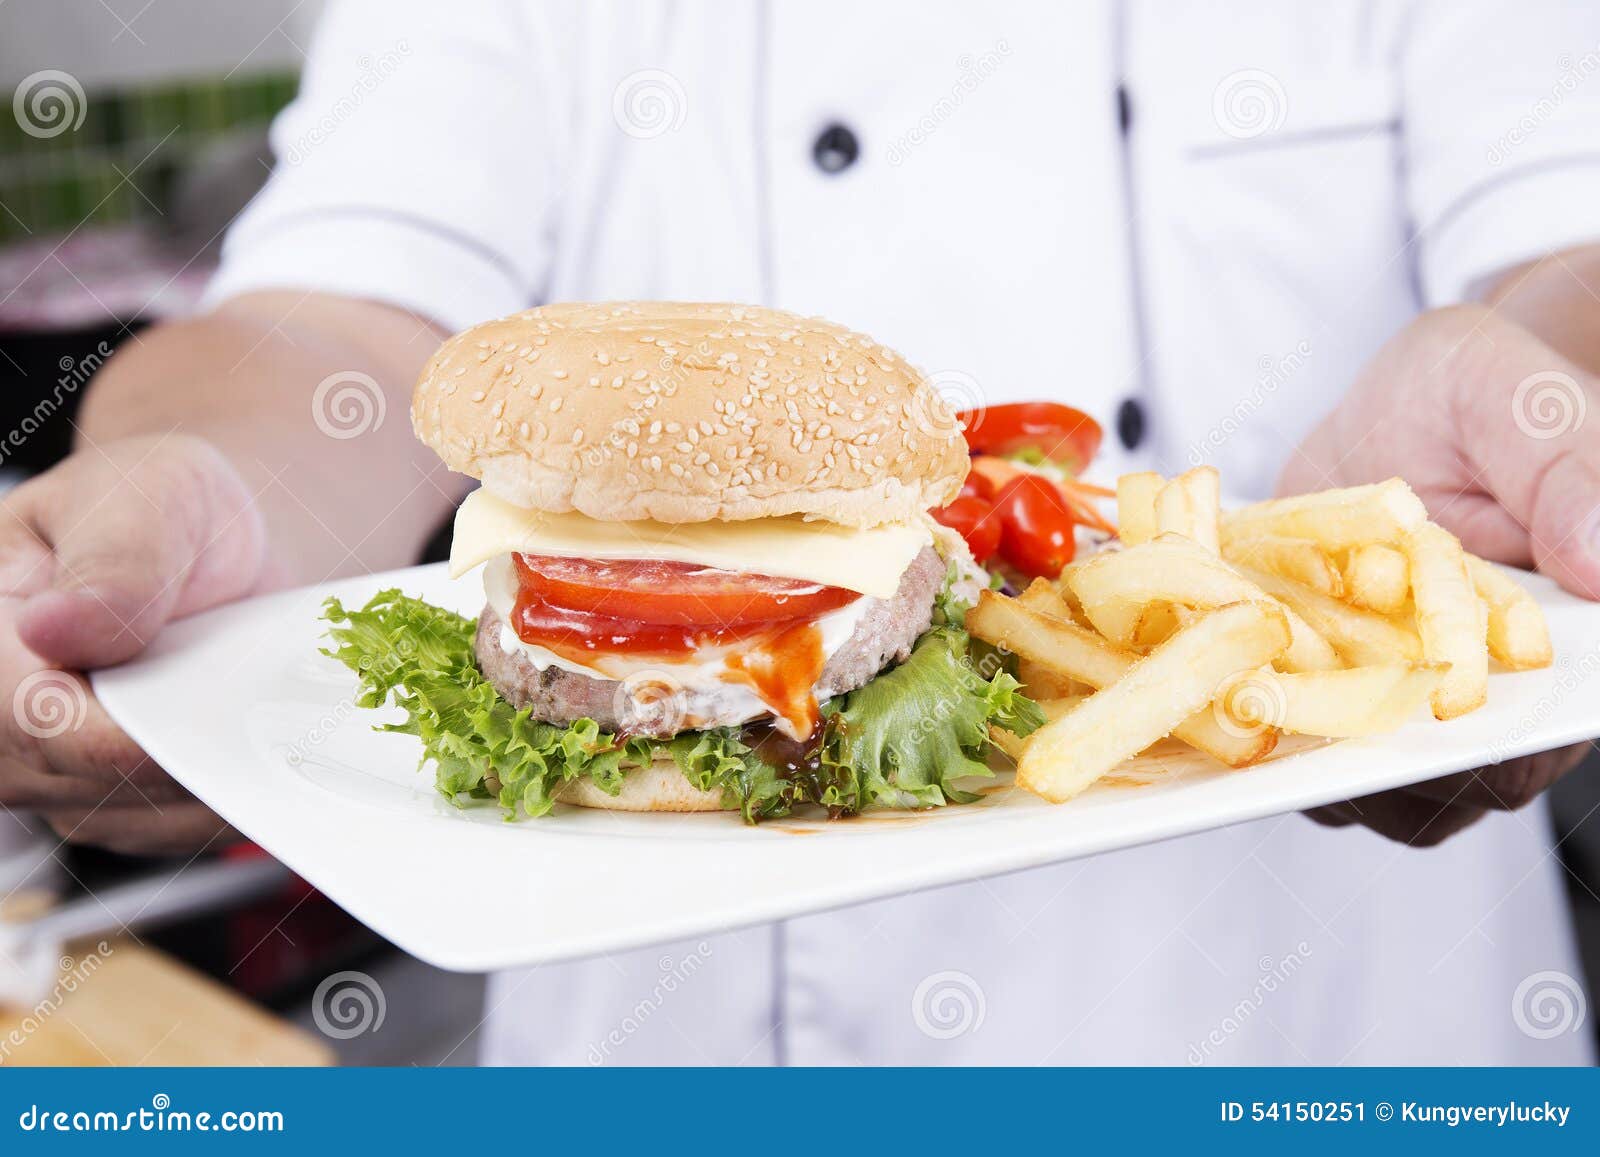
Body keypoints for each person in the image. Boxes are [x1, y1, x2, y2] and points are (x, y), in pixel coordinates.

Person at [4, 0, 1598, 1063]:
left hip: (1330, 1027)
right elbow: (334, 320)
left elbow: (1567, 239)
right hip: (678, 1052)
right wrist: (211, 478)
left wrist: (1543, 398)